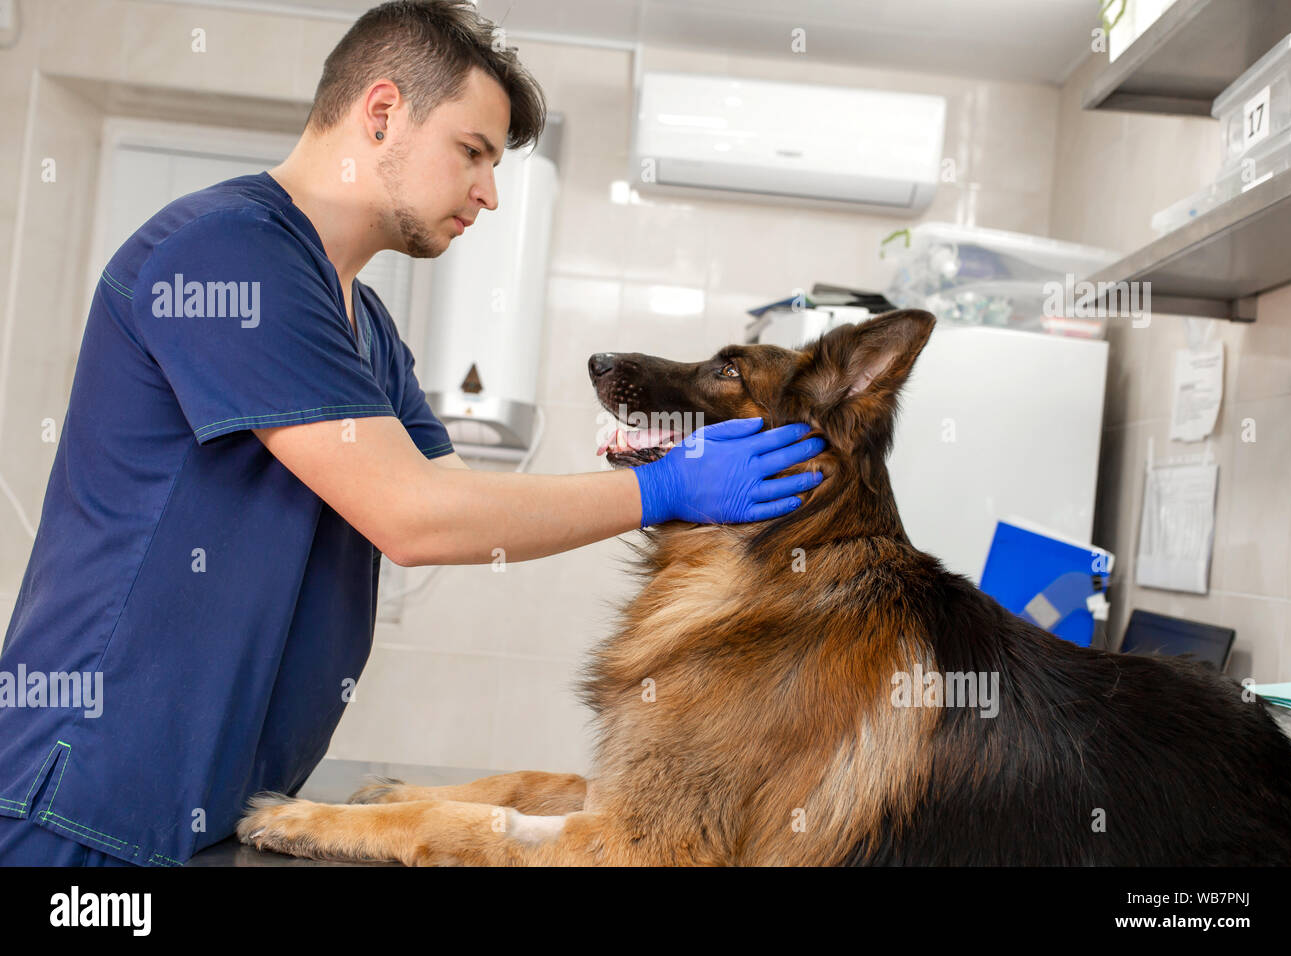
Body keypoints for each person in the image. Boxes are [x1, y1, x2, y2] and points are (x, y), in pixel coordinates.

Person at [0, 0, 825, 866]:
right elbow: (415, 516)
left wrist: (658, 469)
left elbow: (466, 505)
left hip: (208, 804)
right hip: (85, 801)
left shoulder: (366, 328)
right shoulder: (227, 255)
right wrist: (662, 489)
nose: (490, 193)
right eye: (472, 152)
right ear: (383, 112)